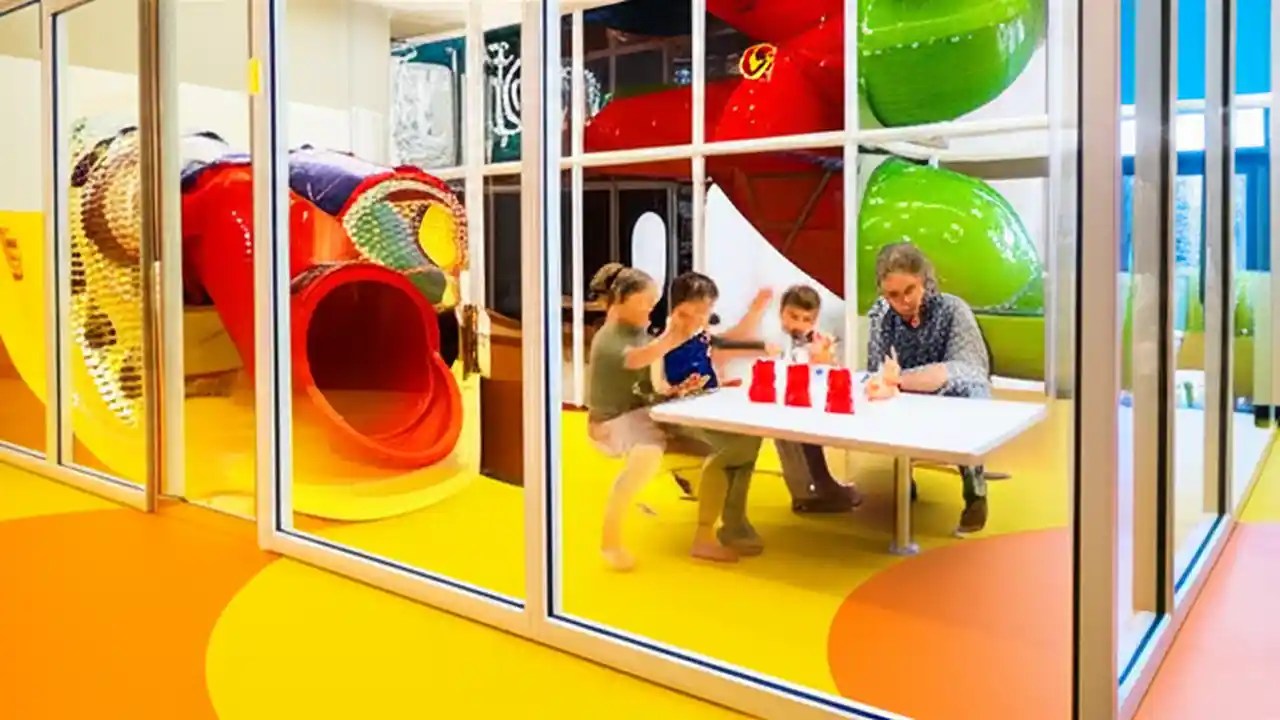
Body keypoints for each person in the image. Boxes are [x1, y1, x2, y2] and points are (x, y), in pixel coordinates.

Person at [585, 264, 760, 571]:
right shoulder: (611, 339)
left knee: (732, 448)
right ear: (619, 300)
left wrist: (676, 390)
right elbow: (638, 359)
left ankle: (723, 525)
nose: (650, 310)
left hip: (649, 412)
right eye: (644, 304)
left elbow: (653, 383)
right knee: (651, 458)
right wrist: (673, 335)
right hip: (615, 423)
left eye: (653, 304)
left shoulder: (641, 332)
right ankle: (611, 540)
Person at [866, 242, 993, 533]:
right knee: (878, 402)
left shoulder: (952, 309)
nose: (903, 301)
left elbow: (970, 370)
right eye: (893, 295)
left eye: (910, 290)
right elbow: (876, 369)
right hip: (906, 395)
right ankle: (902, 477)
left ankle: (975, 491)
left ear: (924, 280)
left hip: (950, 392)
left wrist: (901, 380)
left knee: (971, 396)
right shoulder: (883, 317)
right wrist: (886, 383)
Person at [767, 285, 863, 513]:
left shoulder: (813, 342)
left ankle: (821, 484)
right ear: (781, 312)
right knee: (790, 439)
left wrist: (824, 358)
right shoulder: (773, 338)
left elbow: (827, 372)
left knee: (810, 441)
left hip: (801, 399)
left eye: (806, 319)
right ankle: (805, 494)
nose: (798, 324)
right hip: (777, 401)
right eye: (793, 316)